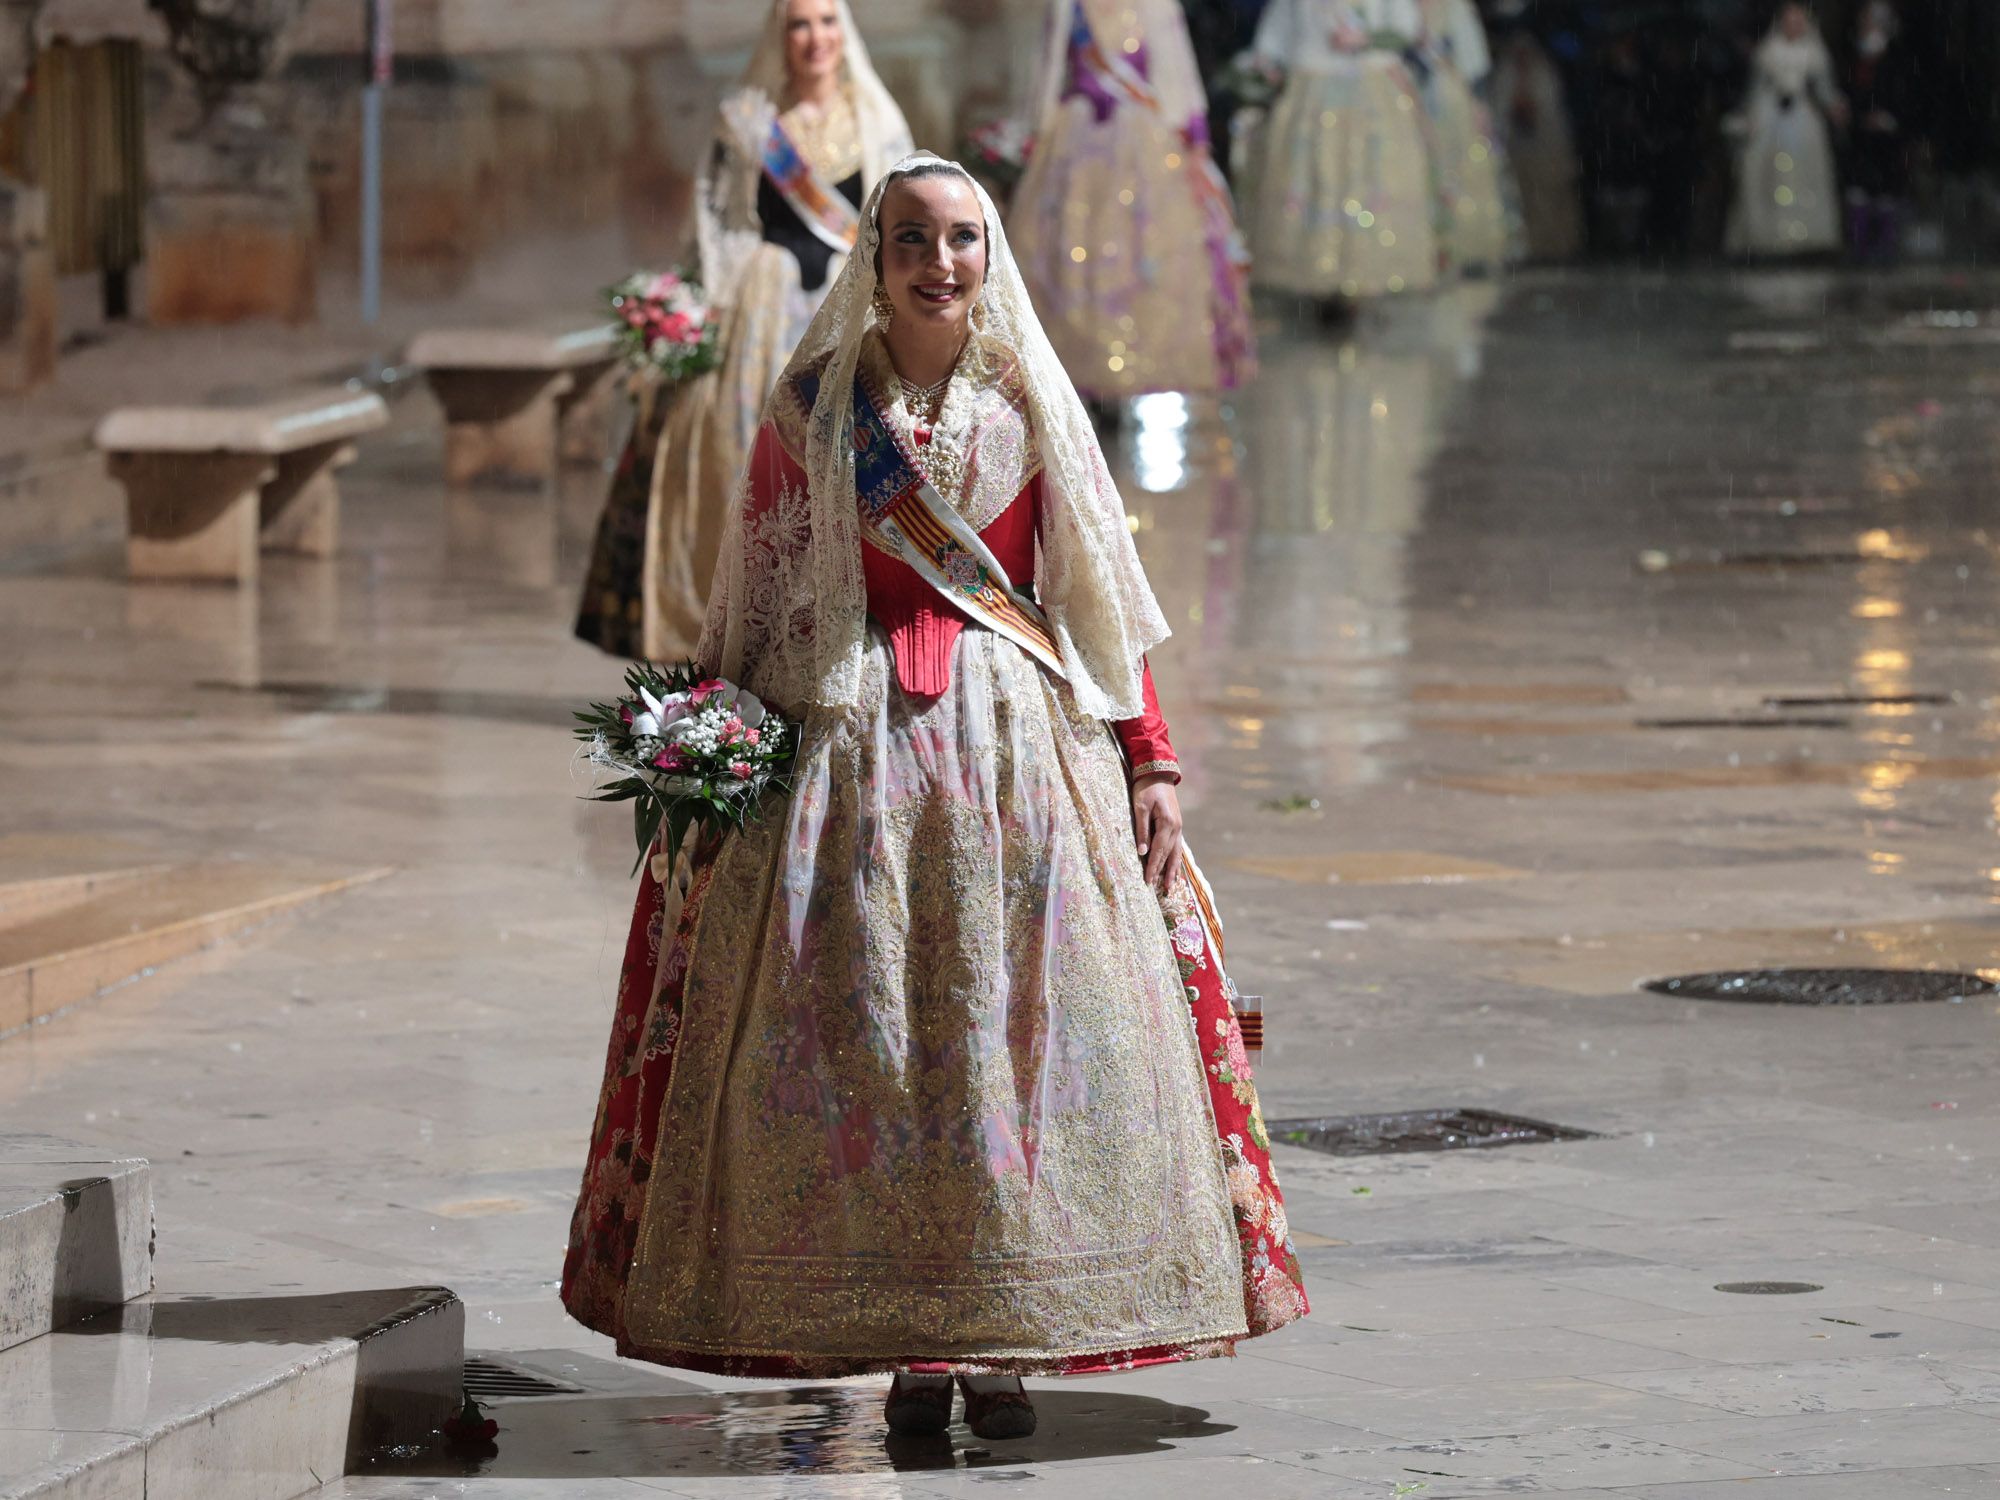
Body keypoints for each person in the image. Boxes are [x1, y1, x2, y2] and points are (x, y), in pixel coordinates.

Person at [561, 153, 1307, 1439]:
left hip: (1018, 756)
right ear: (876, 255)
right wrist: (708, 744)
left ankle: (1000, 1335)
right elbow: (755, 589)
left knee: (1006, 1037)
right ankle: (909, 1345)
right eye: (912, 239)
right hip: (846, 761)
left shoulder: (1029, 402)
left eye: (961, 239)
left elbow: (1092, 600)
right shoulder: (809, 408)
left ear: (987, 253)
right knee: (875, 1042)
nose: (938, 263)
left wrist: (1151, 755)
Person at [575, 0, 913, 662]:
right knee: (740, 466)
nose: (815, 38)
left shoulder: (878, 120)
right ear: (778, 35)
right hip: (760, 316)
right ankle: (729, 635)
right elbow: (718, 227)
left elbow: (891, 231)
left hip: (844, 321)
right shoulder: (748, 123)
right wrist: (696, 316)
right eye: (799, 24)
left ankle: (838, 638)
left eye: (826, 21)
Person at [1010, 0, 1256, 406]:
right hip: (1077, 141)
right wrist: (1035, 133)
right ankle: (1079, 366)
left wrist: (1192, 135)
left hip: (1142, 141)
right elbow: (1049, 69)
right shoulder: (1067, 5)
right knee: (1073, 250)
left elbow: (1175, 67)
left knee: (1143, 252)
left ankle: (1126, 367)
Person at [1239, 0, 1438, 307]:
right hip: (1312, 87)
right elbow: (1277, 32)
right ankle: (1323, 278)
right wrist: (1266, 64)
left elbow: (1407, 27)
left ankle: (1366, 276)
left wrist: (1367, 39)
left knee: (1370, 179)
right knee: (1316, 174)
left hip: (1371, 85)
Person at [1725, 1, 1844, 259]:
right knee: (1770, 175)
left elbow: (1824, 89)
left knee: (1802, 175)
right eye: (1789, 20)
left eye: (1798, 21)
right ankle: (1768, 237)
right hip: (1771, 117)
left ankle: (1802, 236)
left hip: (1802, 117)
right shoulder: (1768, 51)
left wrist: (1834, 105)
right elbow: (1755, 88)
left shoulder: (1814, 52)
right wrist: (1749, 115)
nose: (1793, 26)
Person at [1419, 0, 1511, 275]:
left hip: (1448, 96)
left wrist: (1478, 104)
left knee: (1458, 170)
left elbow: (1472, 59)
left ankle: (1458, 248)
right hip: (1406, 93)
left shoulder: (1454, 5)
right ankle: (1428, 248)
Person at [1490, 23, 1582, 261]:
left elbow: (1549, 108)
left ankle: (1557, 247)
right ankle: (1532, 248)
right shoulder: (1506, 73)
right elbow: (1501, 108)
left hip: (1547, 146)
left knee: (1551, 200)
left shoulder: (1545, 72)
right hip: (1519, 149)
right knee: (1525, 201)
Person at [1845, 0, 1917, 265]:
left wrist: (1890, 118)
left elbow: (1907, 96)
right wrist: (1858, 115)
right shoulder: (1853, 58)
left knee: (1887, 193)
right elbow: (1849, 93)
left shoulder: (1898, 59)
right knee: (1859, 190)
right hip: (1860, 136)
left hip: (1889, 137)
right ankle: (1859, 248)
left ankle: (1885, 249)